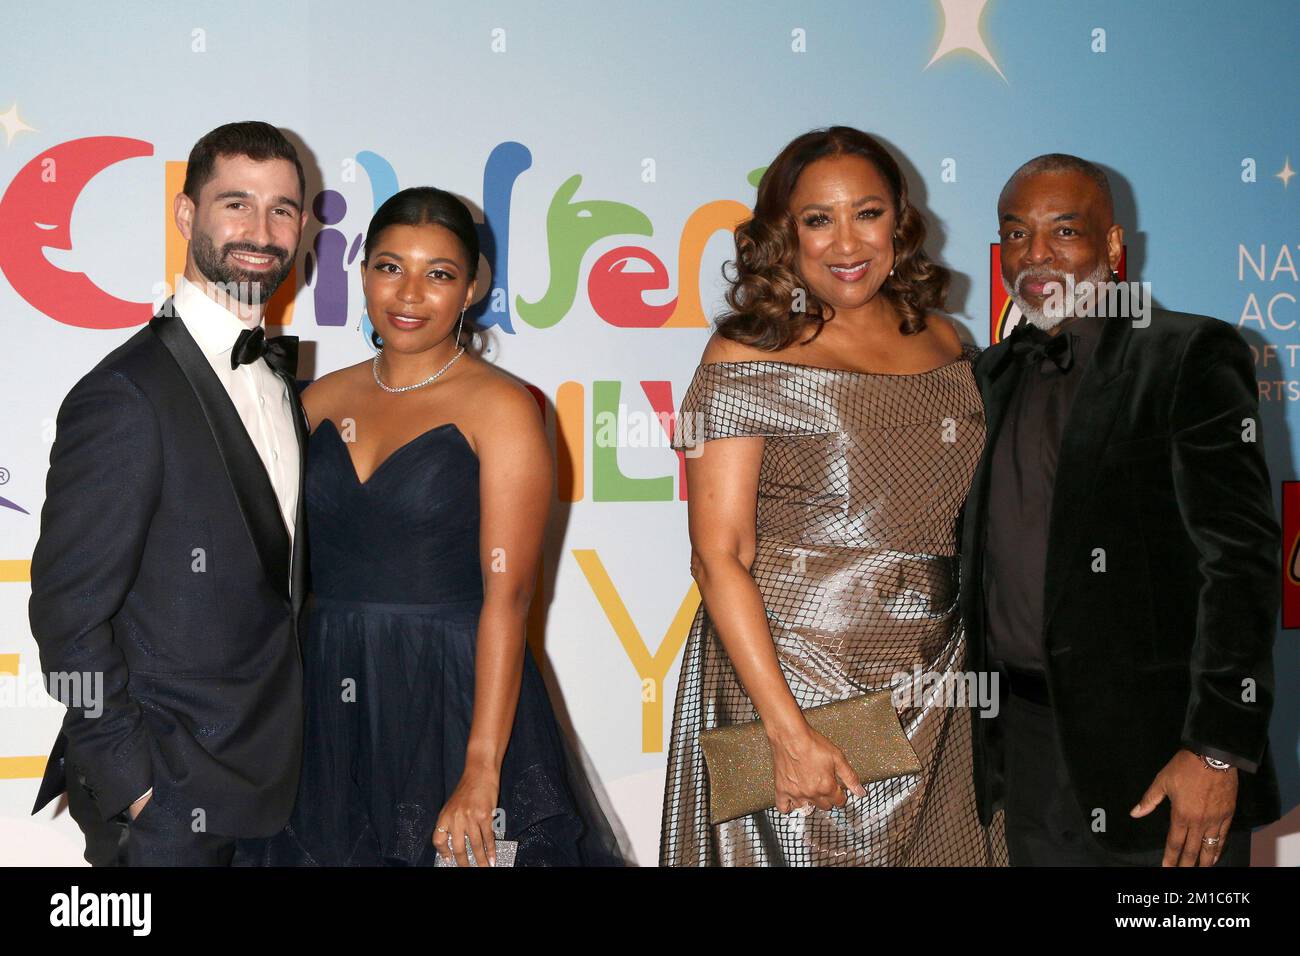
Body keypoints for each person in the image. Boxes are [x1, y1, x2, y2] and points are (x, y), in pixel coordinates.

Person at [659, 126, 1007, 866]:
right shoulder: (747, 350)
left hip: (939, 680)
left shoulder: (949, 343)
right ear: (784, 234)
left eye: (868, 213)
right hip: (793, 680)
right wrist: (787, 734)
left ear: (901, 221)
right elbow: (718, 557)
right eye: (818, 219)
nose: (847, 243)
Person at [255, 187, 623, 867]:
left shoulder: (502, 408)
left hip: (452, 696)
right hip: (325, 698)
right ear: (363, 274)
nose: (409, 293)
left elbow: (508, 600)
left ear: (471, 290)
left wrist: (481, 768)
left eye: (439, 274)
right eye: (390, 267)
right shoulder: (313, 399)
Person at [961, 153, 1281, 866]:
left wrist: (1218, 752)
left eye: (1063, 231)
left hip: (1162, 759)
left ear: (1111, 246)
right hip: (1027, 750)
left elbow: (1242, 563)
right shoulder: (990, 374)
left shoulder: (1186, 354)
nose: (1035, 254)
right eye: (1016, 234)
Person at [28, 121, 310, 865]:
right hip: (169, 801)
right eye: (236, 204)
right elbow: (67, 617)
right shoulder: (126, 395)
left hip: (281, 788)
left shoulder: (285, 381)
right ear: (187, 216)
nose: (261, 230)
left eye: (282, 208)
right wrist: (132, 781)